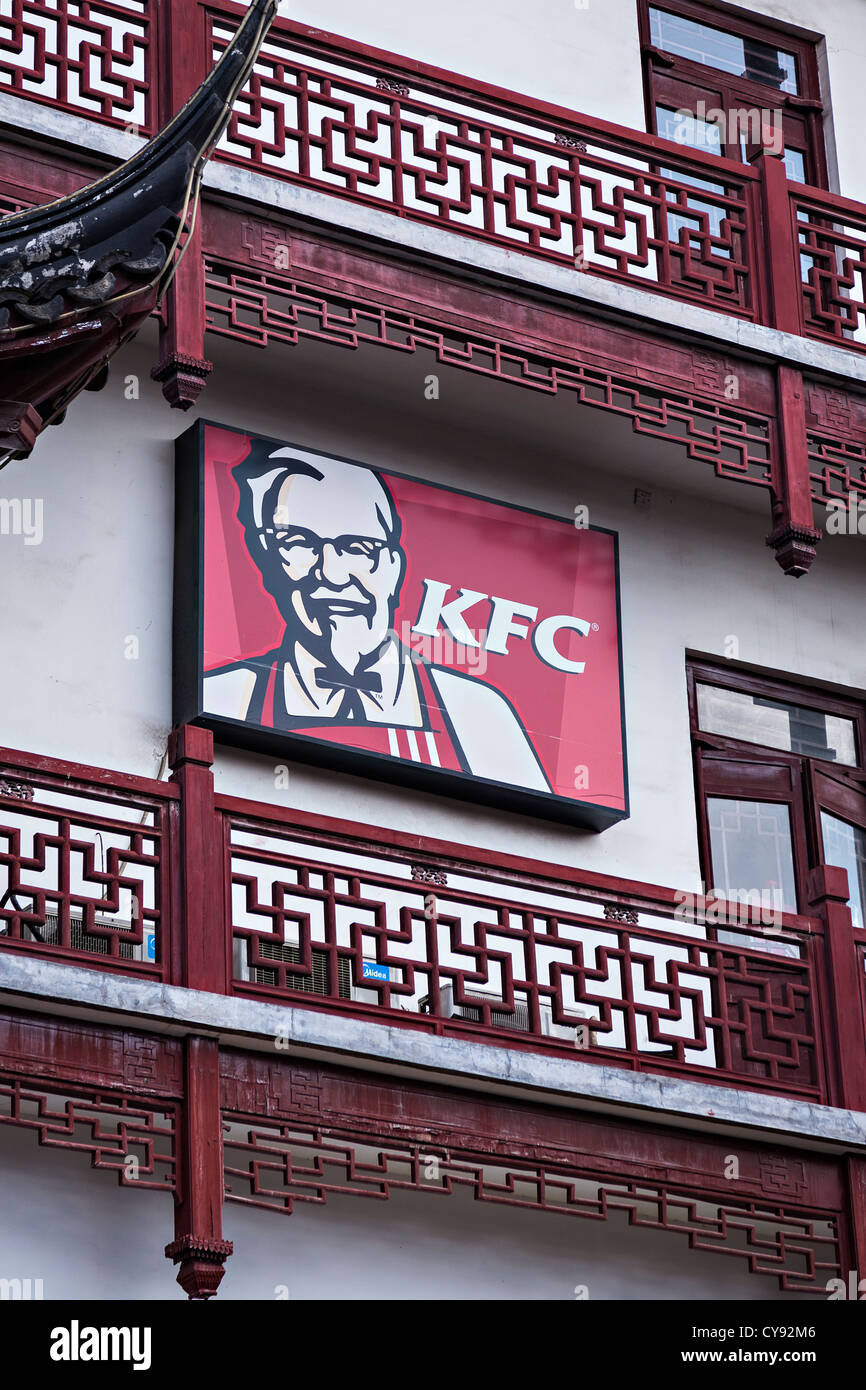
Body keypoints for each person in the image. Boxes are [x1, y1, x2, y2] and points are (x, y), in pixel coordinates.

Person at [204, 442, 551, 791]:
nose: (333, 574)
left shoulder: (476, 712)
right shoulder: (224, 695)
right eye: (299, 543)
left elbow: (540, 839)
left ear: (394, 568)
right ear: (267, 562)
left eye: (357, 548)